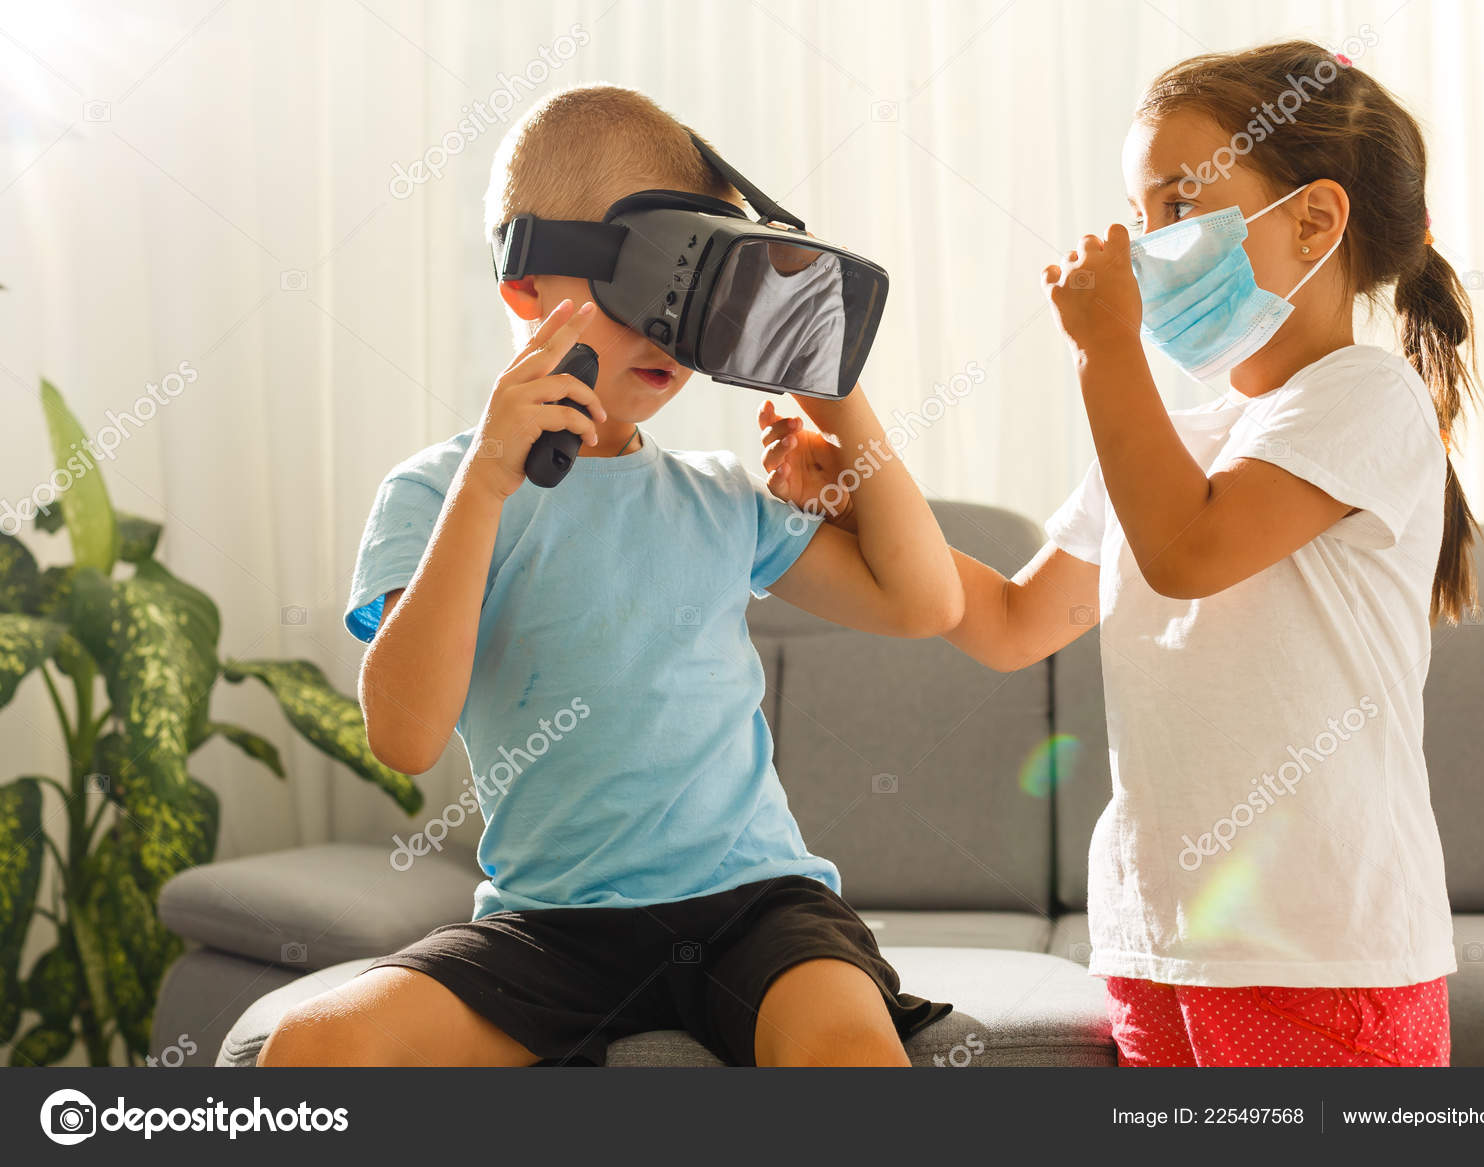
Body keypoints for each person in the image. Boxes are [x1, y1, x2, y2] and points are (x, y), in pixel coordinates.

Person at [762, 41, 1475, 1067]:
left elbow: (1189, 550)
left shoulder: (1364, 399)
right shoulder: (1166, 442)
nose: (1148, 248)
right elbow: (1010, 623)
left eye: (1179, 208)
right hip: (1157, 942)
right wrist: (854, 489)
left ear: (1315, 220)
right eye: (1142, 217)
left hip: (1319, 953)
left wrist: (1106, 354)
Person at [257, 85, 962, 1069]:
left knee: (847, 1055)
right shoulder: (434, 496)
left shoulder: (720, 498)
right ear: (525, 287)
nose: (674, 328)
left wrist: (835, 396)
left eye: (706, 289)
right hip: (554, 925)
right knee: (314, 1050)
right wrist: (486, 487)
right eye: (652, 282)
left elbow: (925, 602)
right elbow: (407, 735)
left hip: (757, 906)